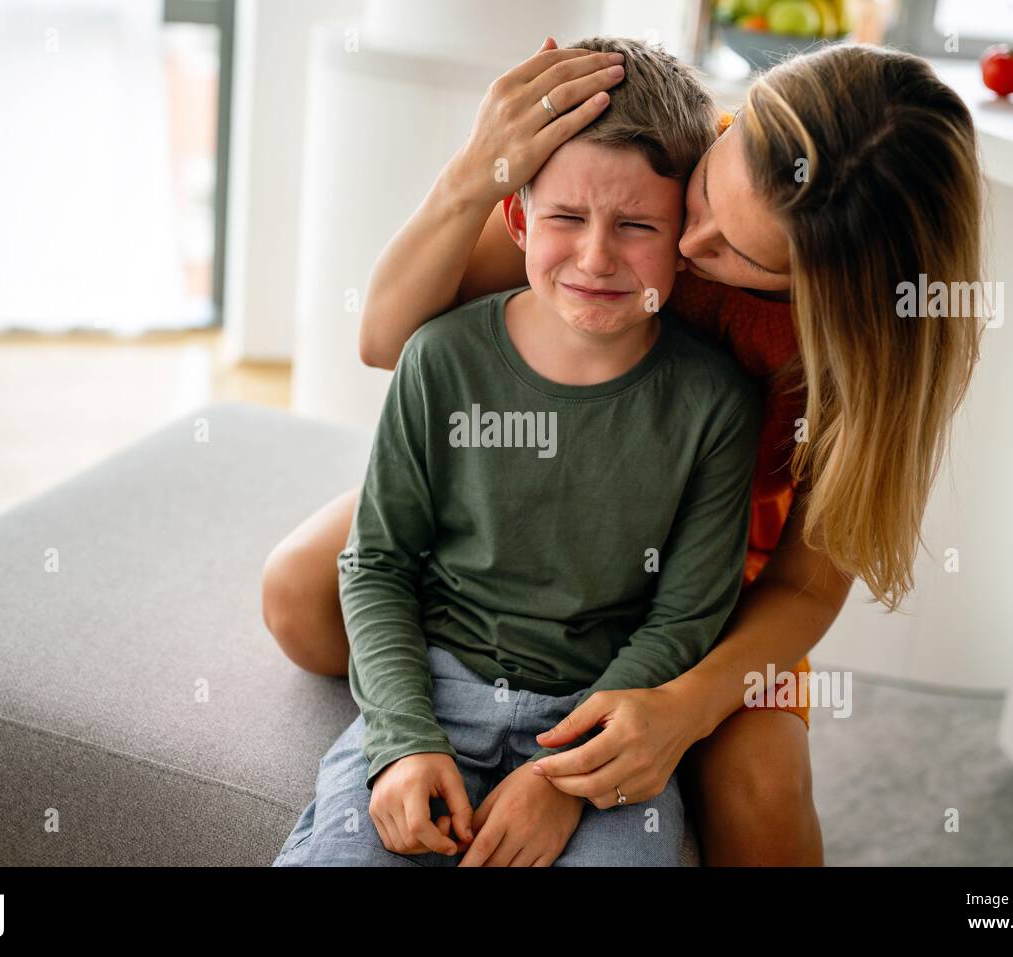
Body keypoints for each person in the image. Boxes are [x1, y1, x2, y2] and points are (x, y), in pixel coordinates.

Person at [263, 36, 985, 866]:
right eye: (706, 195)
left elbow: (805, 586)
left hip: (718, 573)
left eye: (737, 256)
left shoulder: (869, 358)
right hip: (520, 490)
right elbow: (391, 341)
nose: (686, 243)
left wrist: (681, 707)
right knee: (298, 596)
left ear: (828, 297)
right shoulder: (645, 169)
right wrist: (475, 171)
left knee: (762, 796)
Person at [275, 37, 762, 867]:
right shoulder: (441, 357)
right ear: (518, 218)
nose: (598, 257)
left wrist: (564, 775)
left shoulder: (715, 403)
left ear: (686, 234)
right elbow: (378, 561)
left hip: (601, 720)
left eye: (638, 225)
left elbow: (685, 615)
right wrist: (400, 741)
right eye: (567, 218)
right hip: (437, 686)